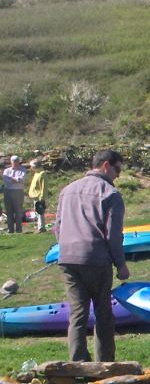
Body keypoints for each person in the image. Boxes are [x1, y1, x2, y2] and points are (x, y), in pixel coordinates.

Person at [53, 149, 130, 362]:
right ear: (106, 165)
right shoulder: (110, 194)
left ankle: (76, 363)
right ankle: (104, 364)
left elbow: (57, 227)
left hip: (68, 258)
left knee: (77, 314)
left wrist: (67, 247)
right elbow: (113, 235)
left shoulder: (67, 190)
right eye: (117, 169)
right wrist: (121, 265)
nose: (118, 175)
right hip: (96, 259)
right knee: (103, 313)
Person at [2, 155, 27, 234]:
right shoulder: (6, 171)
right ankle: (10, 230)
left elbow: (21, 179)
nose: (15, 163)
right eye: (13, 161)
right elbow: (6, 181)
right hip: (8, 192)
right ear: (11, 162)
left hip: (18, 192)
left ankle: (19, 230)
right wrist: (15, 179)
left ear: (18, 161)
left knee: (18, 211)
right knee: (9, 212)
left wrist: (12, 179)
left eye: (16, 161)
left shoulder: (22, 170)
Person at [27, 159, 47, 233]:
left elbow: (44, 187)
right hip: (35, 196)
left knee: (40, 212)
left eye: (32, 166)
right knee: (37, 212)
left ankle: (41, 228)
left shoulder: (42, 173)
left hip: (39, 196)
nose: (31, 168)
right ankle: (39, 226)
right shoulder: (36, 173)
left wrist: (42, 197)